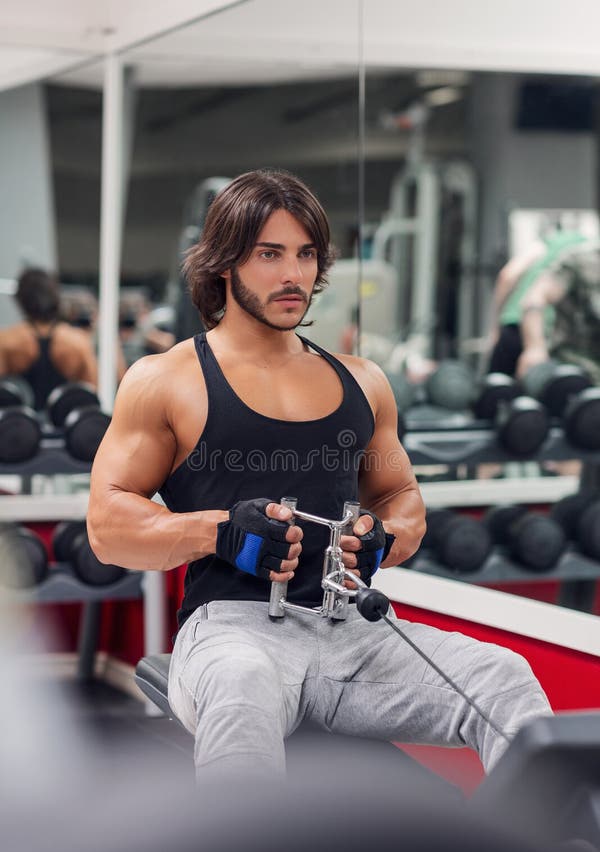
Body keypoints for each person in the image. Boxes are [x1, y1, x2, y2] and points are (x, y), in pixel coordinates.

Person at [87, 169, 551, 778]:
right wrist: (220, 530)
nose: (293, 275)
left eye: (306, 254)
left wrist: (382, 536)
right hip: (233, 633)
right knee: (243, 684)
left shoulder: (362, 381)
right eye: (270, 254)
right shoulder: (167, 379)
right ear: (225, 263)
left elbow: (400, 496)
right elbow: (106, 523)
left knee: (504, 678)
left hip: (351, 634)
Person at [487, 228, 593, 379]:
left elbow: (508, 275)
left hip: (514, 325)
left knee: (497, 390)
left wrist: (494, 328)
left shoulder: (549, 242)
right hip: (544, 332)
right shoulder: (584, 250)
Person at [0, 268, 97, 409]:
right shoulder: (78, 341)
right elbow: (92, 395)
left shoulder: (7, 341)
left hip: (22, 428)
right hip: (64, 429)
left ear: (21, 301)